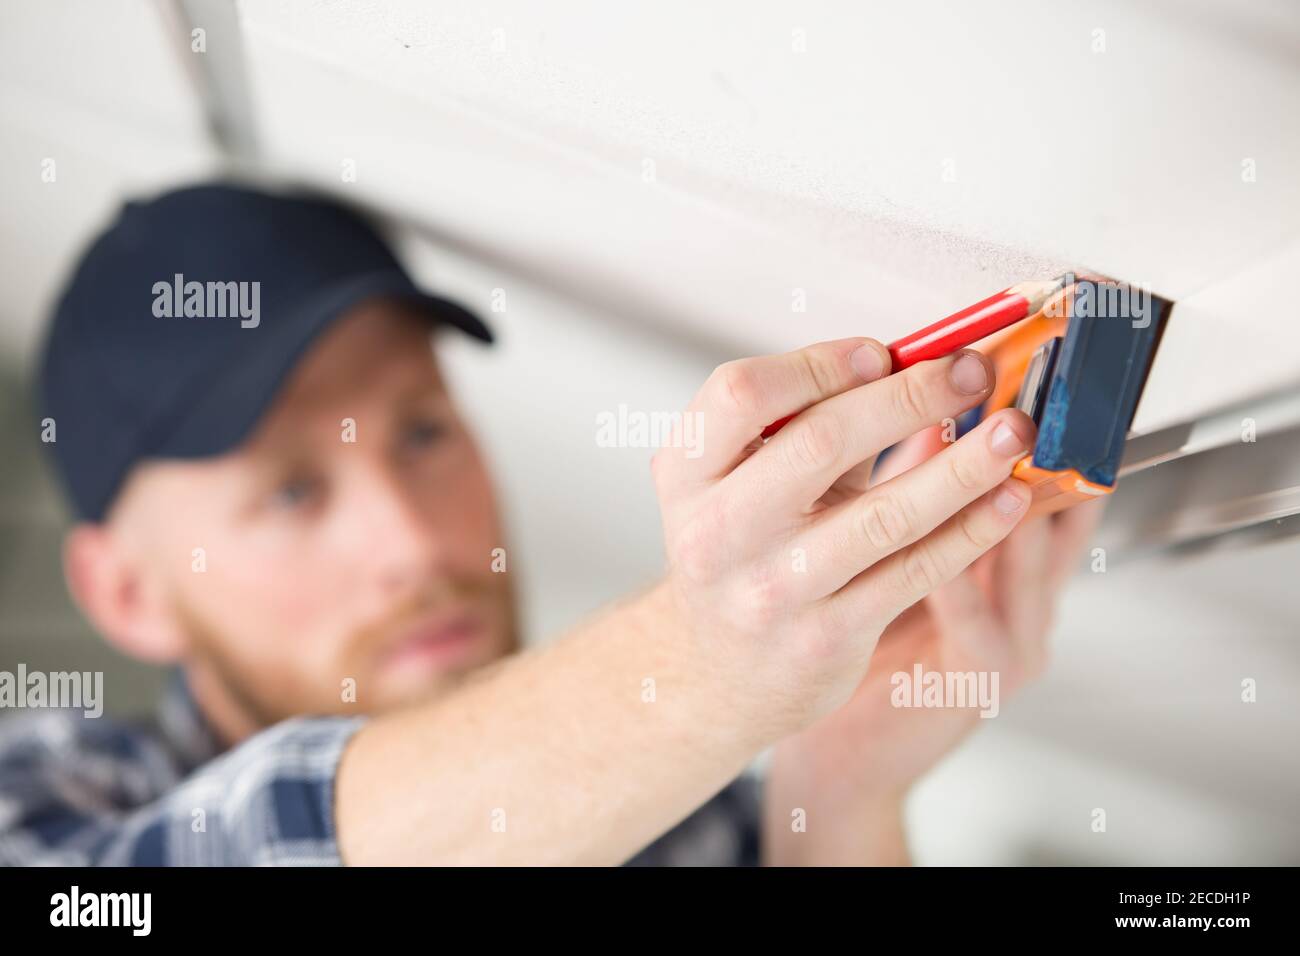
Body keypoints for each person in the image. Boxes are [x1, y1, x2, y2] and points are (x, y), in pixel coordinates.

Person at [0, 183, 1099, 865]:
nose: (413, 542)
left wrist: (838, 794)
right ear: (125, 593)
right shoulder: (45, 798)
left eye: (423, 431)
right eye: (293, 491)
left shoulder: (688, 820)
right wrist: (704, 662)